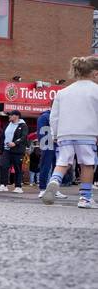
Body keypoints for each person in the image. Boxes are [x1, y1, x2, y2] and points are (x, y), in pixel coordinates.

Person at [41, 55, 98, 209]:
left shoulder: (63, 92)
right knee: (87, 164)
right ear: (95, 74)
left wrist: (56, 134)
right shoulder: (96, 90)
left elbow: (54, 116)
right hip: (87, 133)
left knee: (62, 162)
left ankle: (53, 182)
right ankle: (85, 198)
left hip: (65, 134)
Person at [0, 110, 28, 193]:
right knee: (4, 166)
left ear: (16, 116)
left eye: (11, 115)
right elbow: (2, 137)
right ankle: (3, 185)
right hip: (6, 150)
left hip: (17, 151)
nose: (9, 117)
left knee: (17, 168)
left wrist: (15, 143)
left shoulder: (23, 125)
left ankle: (18, 186)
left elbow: (24, 137)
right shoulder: (7, 125)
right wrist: (0, 148)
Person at [36, 107, 61, 200]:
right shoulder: (45, 117)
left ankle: (55, 189)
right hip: (48, 143)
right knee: (45, 166)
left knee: (57, 166)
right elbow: (42, 132)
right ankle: (42, 189)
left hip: (57, 143)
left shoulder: (58, 116)